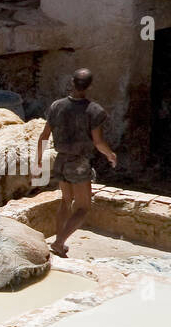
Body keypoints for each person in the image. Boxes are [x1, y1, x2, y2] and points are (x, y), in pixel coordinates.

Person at [36, 68, 117, 258]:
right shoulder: (94, 110)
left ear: (72, 82)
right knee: (82, 207)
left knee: (65, 201)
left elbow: (44, 136)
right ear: (89, 86)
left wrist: (38, 160)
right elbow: (98, 142)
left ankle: (59, 242)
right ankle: (58, 242)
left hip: (61, 161)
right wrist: (110, 154)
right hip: (79, 163)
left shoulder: (56, 106)